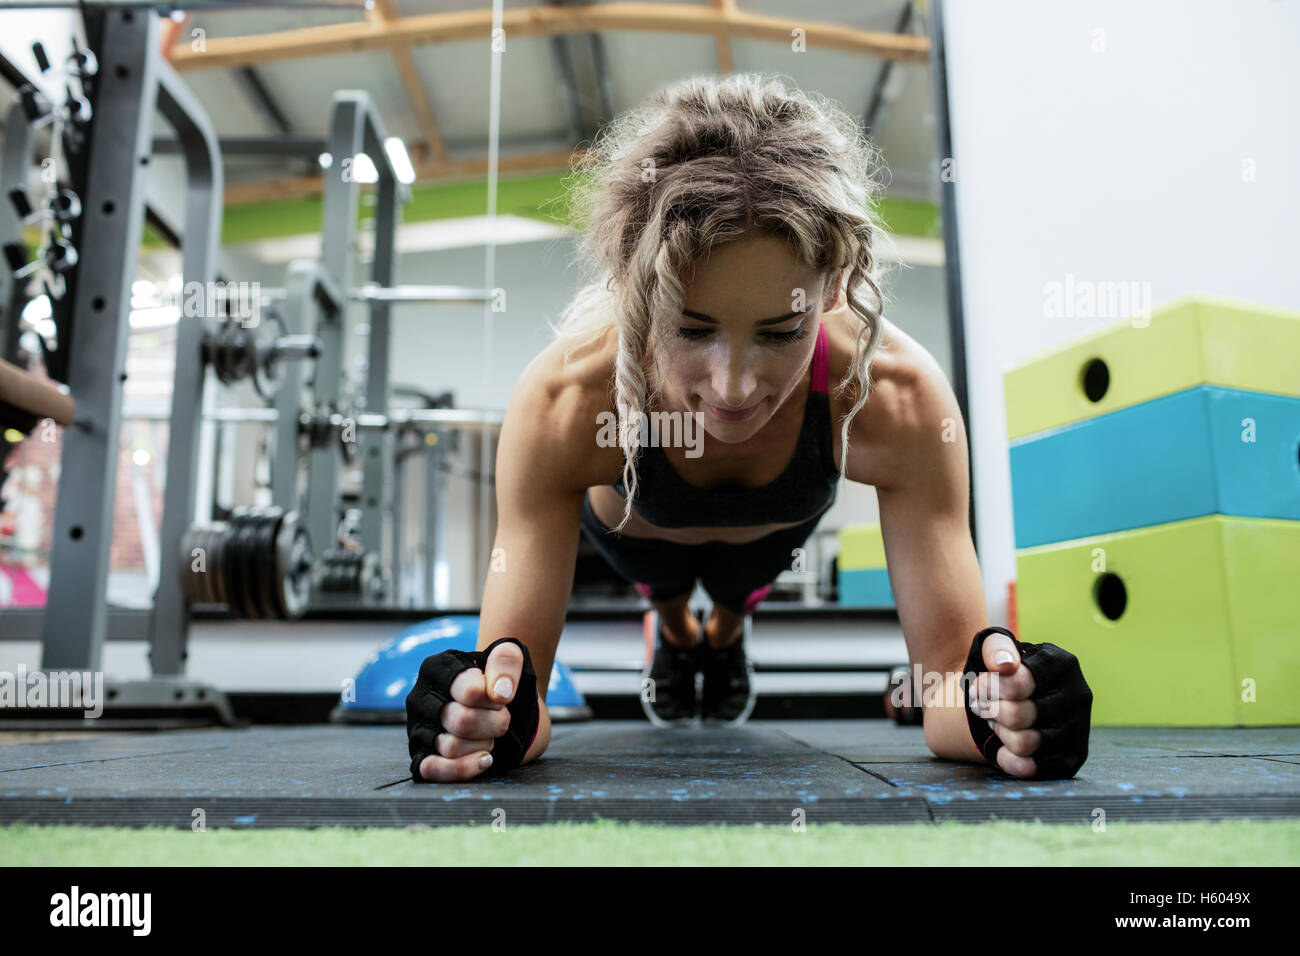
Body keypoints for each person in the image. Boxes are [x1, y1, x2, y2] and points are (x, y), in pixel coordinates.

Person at [406, 73, 1092, 785]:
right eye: (691, 329)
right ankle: (674, 629)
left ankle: (722, 631)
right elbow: (523, 698)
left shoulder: (898, 397)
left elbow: (946, 686)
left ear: (831, 288)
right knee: (671, 594)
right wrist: (484, 714)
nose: (733, 387)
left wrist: (1003, 711)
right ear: (636, 291)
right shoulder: (566, 399)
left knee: (733, 596)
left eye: (781, 332)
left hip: (768, 543)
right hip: (641, 540)